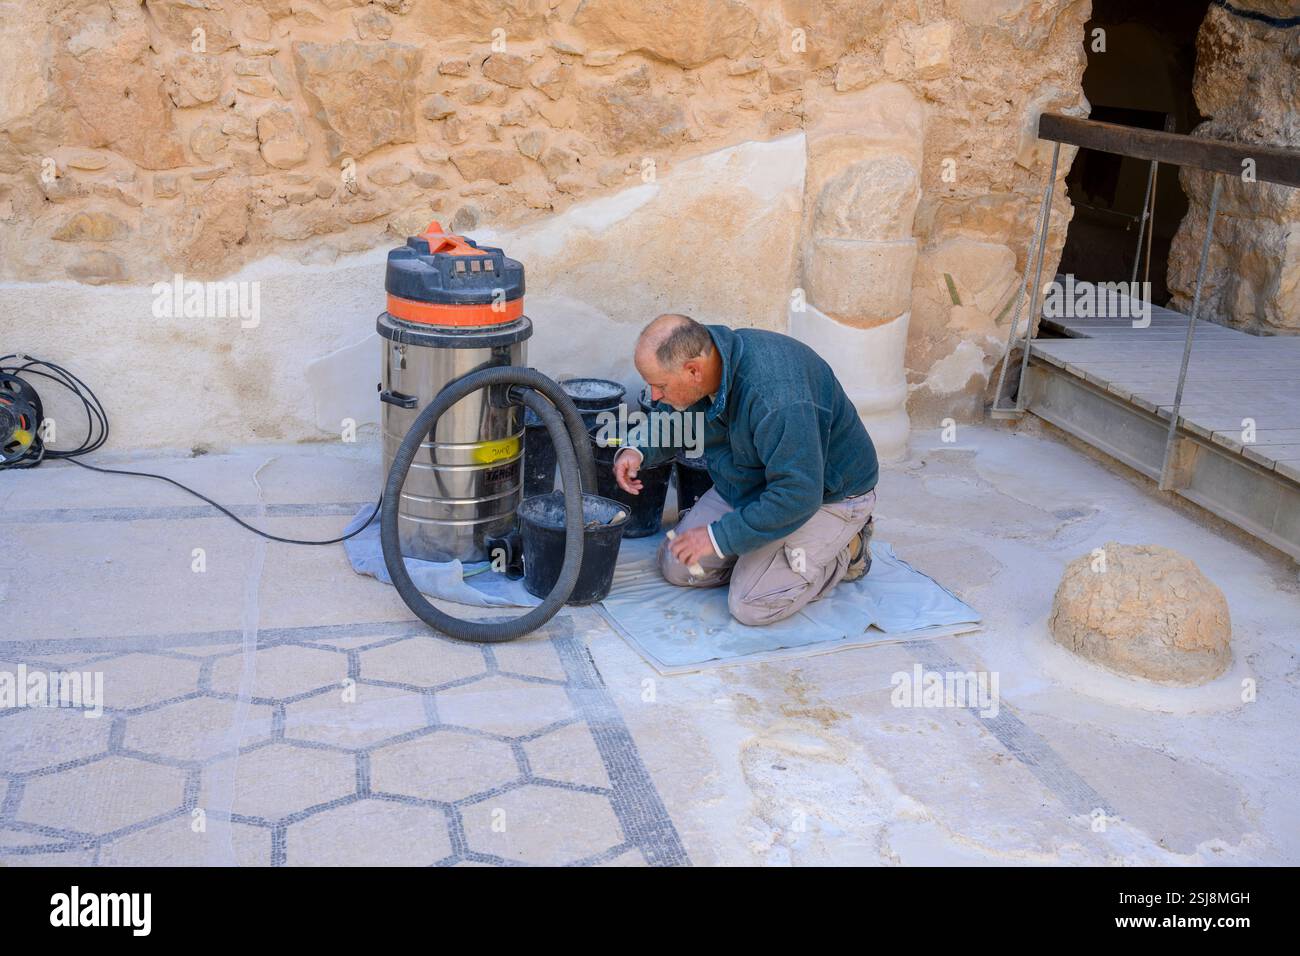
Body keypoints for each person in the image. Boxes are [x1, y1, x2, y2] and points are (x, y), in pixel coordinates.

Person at [613, 314, 878, 626]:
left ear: (694, 371)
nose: (654, 396)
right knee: (679, 566)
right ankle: (761, 549)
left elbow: (798, 493)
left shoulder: (777, 398)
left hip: (826, 495)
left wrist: (719, 537)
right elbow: (681, 418)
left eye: (660, 386)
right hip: (753, 483)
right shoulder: (706, 363)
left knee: (753, 604)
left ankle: (848, 548)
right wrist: (637, 448)